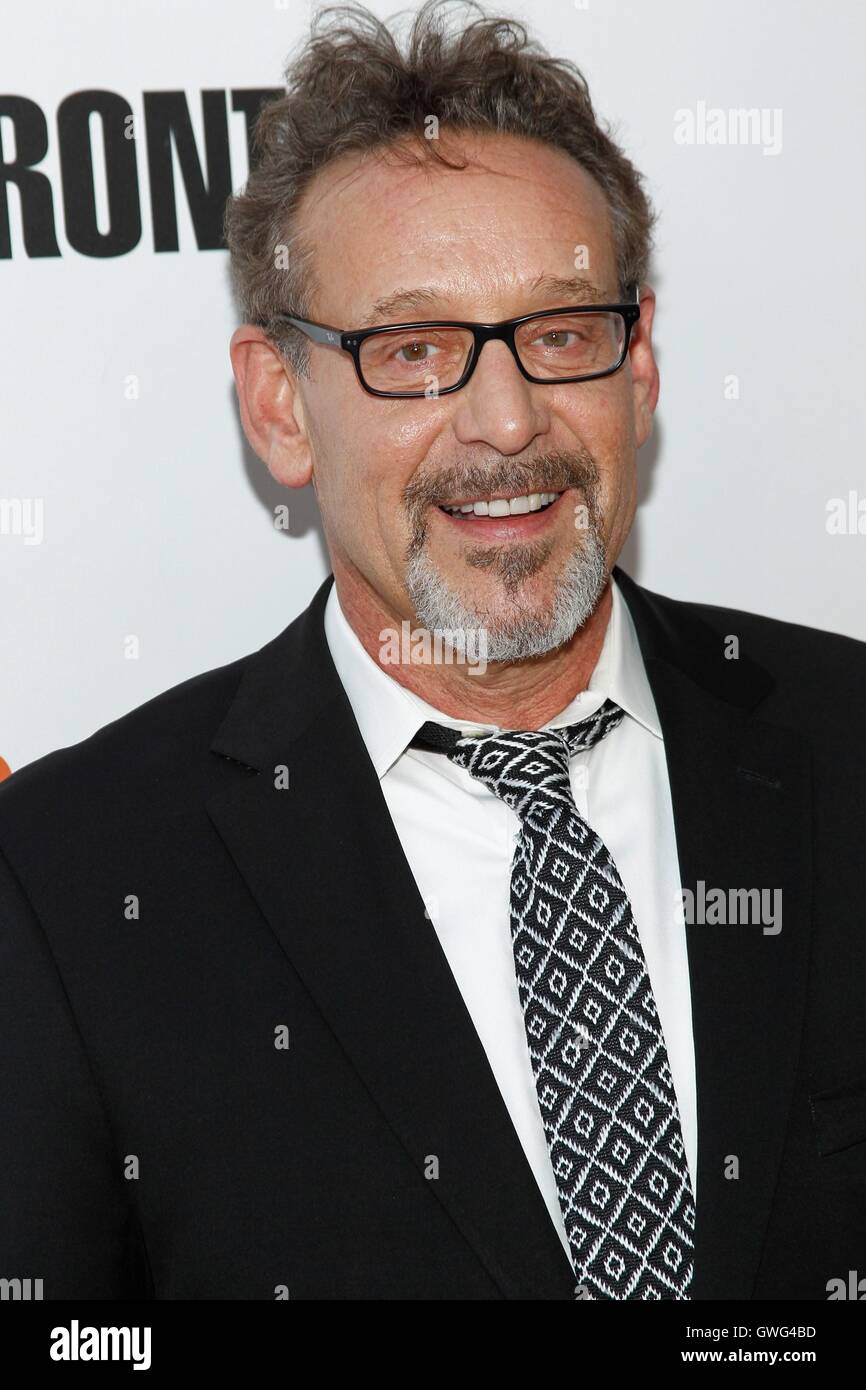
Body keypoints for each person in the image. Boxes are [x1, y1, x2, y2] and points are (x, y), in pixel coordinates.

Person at [1, 0, 864, 1301]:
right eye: (415, 352)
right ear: (279, 407)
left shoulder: (847, 740)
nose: (506, 421)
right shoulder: (70, 876)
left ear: (638, 375)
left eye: (561, 333)